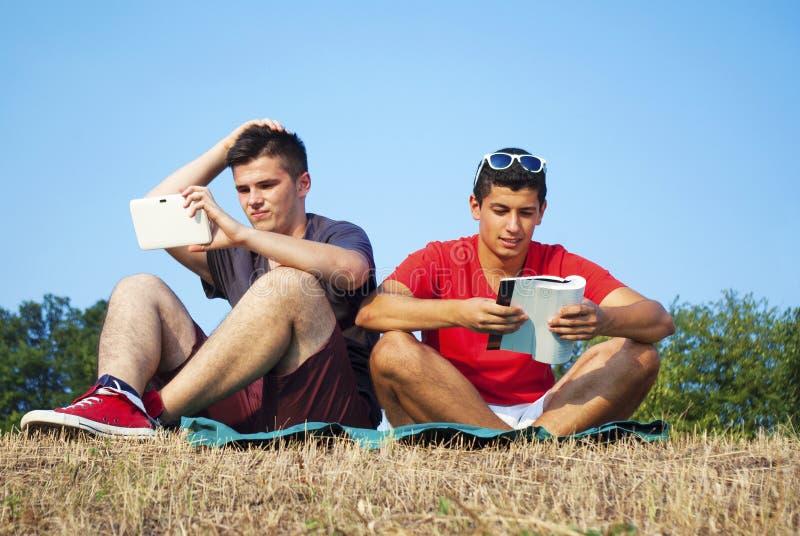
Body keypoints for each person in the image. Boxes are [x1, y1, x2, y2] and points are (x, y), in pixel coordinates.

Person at [22, 119, 380, 436]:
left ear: (303, 184)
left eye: (267, 185)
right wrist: (224, 149)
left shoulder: (336, 233)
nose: (253, 200)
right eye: (242, 189)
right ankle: (115, 399)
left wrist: (244, 235)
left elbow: (352, 271)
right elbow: (153, 217)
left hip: (330, 408)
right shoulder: (234, 249)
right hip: (256, 407)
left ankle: (149, 413)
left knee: (286, 284)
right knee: (139, 287)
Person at [355, 149, 675, 436]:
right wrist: (459, 313)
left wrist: (603, 320)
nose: (513, 226)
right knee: (391, 349)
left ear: (541, 212)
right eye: (500, 210)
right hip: (450, 408)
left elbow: (660, 320)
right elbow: (373, 311)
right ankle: (512, 447)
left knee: (640, 353)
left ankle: (521, 445)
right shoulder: (439, 257)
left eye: (525, 213)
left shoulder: (557, 260)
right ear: (475, 207)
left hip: (541, 417)